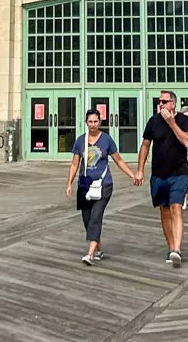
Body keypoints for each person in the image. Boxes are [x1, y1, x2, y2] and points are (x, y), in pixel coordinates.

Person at [65, 109, 139, 265]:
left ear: (100, 122)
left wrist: (132, 175)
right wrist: (69, 184)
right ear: (86, 123)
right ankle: (97, 248)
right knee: (87, 218)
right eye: (90, 122)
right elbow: (74, 164)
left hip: (104, 184)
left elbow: (119, 160)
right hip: (85, 186)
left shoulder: (106, 140)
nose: (93, 125)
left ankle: (90, 254)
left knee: (96, 216)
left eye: (96, 121)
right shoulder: (80, 141)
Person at [134, 91, 188, 267]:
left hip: (179, 173)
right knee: (165, 211)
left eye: (164, 101)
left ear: (173, 104)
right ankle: (171, 247)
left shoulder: (183, 121)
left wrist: (171, 122)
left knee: (176, 208)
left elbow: (187, 142)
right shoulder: (153, 121)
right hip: (159, 174)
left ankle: (177, 249)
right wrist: (140, 170)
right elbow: (145, 145)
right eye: (159, 101)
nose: (160, 104)